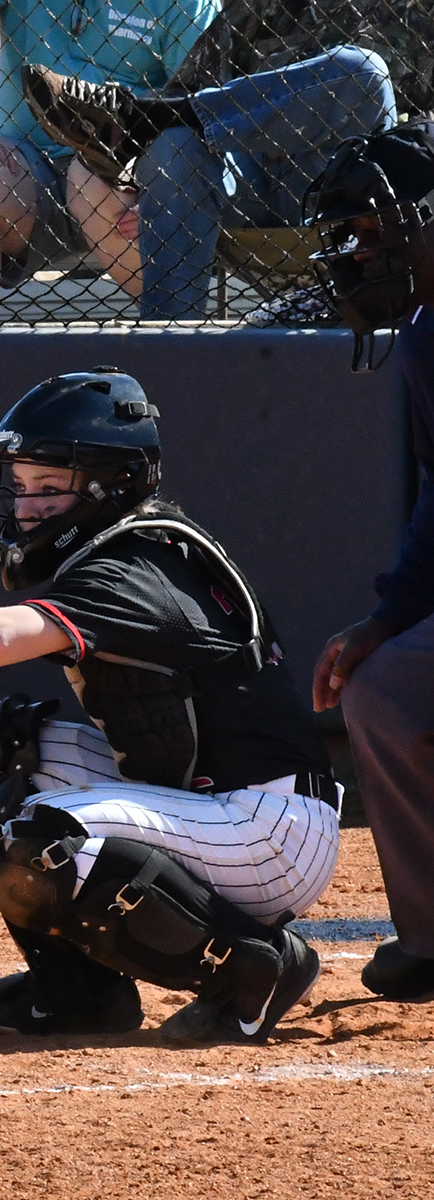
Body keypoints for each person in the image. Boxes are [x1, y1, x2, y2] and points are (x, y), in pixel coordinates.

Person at [0, 368, 337, 1040]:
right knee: (1, 752)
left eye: (48, 488)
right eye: (23, 486)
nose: (26, 506)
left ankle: (250, 968)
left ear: (107, 486)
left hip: (266, 832)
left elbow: (1, 636)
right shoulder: (127, 545)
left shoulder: (135, 567)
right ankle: (79, 995)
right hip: (215, 804)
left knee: (36, 840)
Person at [304, 122, 434, 1002]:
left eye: (379, 232)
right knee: (385, 686)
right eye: (352, 236)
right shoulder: (427, 337)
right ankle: (430, 937)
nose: (361, 254)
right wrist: (386, 619)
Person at [0, 0, 216, 323]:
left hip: (124, 174)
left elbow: (206, 101)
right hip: (25, 164)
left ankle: (175, 351)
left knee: (89, 177)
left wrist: (165, 190)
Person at [25, 47, 395, 319]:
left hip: (336, 177)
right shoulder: (218, 14)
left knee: (366, 70)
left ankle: (141, 119)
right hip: (246, 158)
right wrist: (159, 186)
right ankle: (169, 353)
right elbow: (186, 88)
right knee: (174, 147)